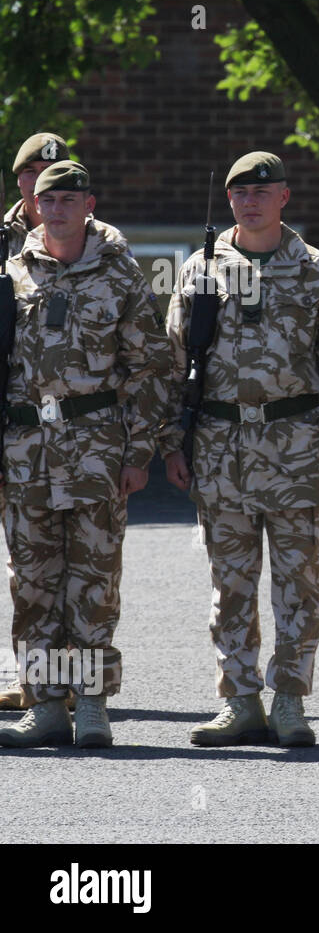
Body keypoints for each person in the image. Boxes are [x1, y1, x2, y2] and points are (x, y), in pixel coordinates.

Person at [159, 151, 319, 748]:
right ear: (230, 201)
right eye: (239, 191)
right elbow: (174, 364)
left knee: (300, 578)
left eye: (261, 190)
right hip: (221, 445)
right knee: (230, 583)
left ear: (284, 197)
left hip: (296, 444)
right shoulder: (200, 271)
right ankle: (240, 701)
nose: (249, 200)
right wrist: (173, 442)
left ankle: (292, 700)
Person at [0, 161, 171, 748]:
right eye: (50, 199)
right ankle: (46, 705)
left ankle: (92, 703)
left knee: (94, 583)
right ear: (36, 205)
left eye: (71, 199)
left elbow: (149, 368)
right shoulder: (11, 273)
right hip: (24, 452)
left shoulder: (119, 275)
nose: (59, 208)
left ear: (89, 204)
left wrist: (139, 450)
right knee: (33, 584)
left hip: (97, 449)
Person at [0, 132, 71, 712]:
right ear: (18, 179)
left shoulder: (81, 238)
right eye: (32, 173)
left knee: (55, 557)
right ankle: (27, 672)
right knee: (21, 560)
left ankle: (55, 684)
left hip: (56, 433)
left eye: (52, 172)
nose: (41, 183)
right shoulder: (2, 241)